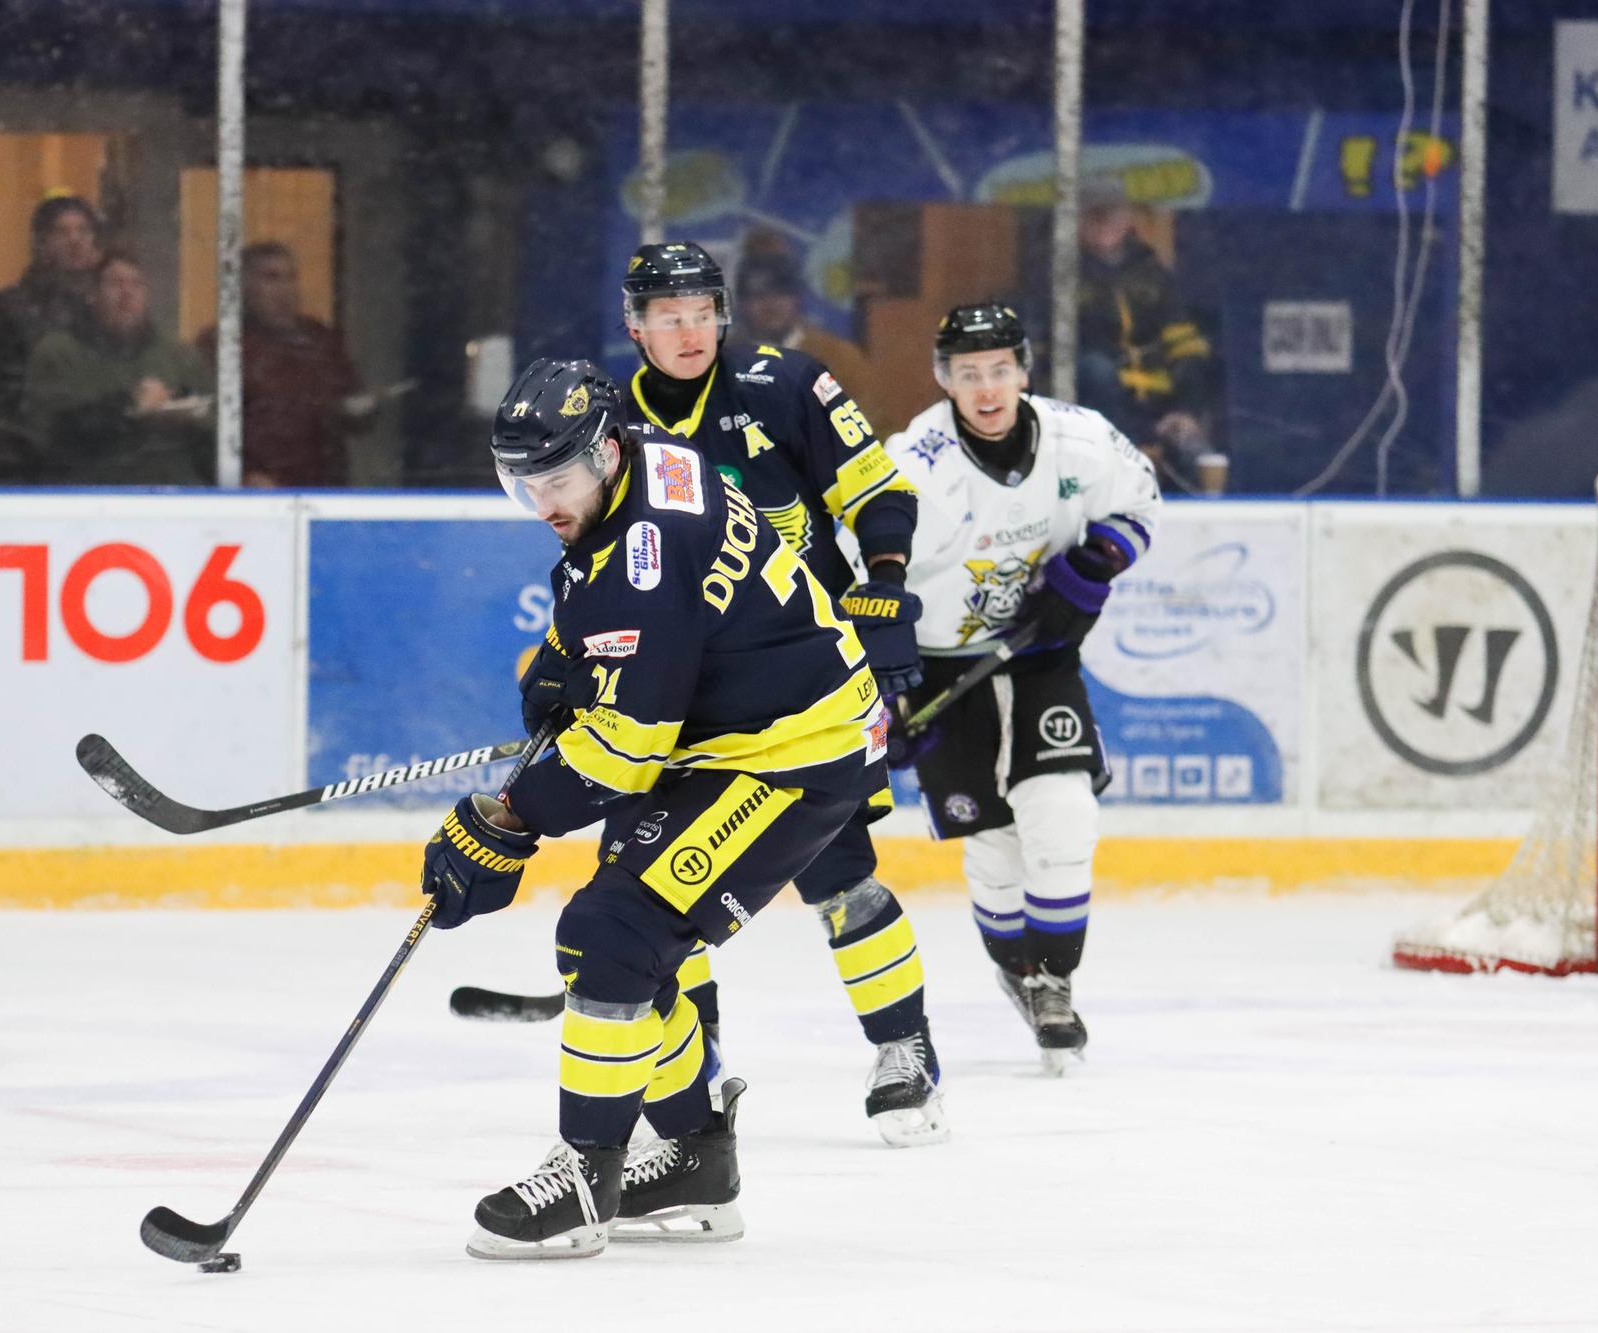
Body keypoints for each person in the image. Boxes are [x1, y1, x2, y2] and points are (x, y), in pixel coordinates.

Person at [422, 358, 891, 1259]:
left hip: (788, 755)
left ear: (603, 453)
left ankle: (586, 1177)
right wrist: (570, 653)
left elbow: (627, 749)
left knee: (612, 932)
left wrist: (506, 820)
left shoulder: (645, 551)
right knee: (619, 943)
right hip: (726, 733)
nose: (543, 502)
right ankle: (694, 1161)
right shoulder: (651, 456)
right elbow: (630, 609)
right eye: (524, 484)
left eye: (556, 479)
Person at [616, 241, 945, 1145]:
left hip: (804, 685)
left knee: (840, 878)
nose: (690, 332)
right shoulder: (612, 427)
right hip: (682, 697)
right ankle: (695, 1075)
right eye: (669, 317)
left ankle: (906, 1049)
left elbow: (876, 492)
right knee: (652, 892)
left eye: (702, 313)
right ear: (636, 328)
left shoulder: (785, 386)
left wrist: (884, 582)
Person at [881, 302, 1161, 1071]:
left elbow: (1140, 504)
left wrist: (1094, 564)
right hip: (940, 665)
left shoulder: (1081, 440)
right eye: (968, 373)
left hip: (1040, 654)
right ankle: (1018, 969)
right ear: (944, 380)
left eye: (1000, 369)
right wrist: (880, 686)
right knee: (994, 844)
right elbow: (861, 575)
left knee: (1064, 811)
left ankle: (1055, 980)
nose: (987, 388)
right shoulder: (913, 468)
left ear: (1025, 371)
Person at [21, 251, 214, 485]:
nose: (127, 293)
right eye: (115, 283)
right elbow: (48, 438)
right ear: (93, 293)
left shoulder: (179, 354)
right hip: (93, 489)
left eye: (136, 284)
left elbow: (214, 427)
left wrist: (186, 418)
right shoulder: (58, 353)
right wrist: (127, 406)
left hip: (173, 489)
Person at [194, 242, 375, 487]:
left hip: (322, 486)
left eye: (291, 278)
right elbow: (203, 428)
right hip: (259, 490)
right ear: (244, 287)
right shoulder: (222, 343)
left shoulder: (319, 339)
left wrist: (363, 408)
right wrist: (244, 473)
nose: (285, 290)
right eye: (272, 278)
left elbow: (352, 408)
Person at [1075, 187, 1217, 493]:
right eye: (1093, 214)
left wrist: (1186, 411)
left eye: (1111, 213)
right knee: (1095, 369)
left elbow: (1187, 346)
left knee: (1194, 457)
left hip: (1157, 408)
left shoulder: (1153, 273)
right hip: (1097, 413)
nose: (1103, 222)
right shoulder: (1060, 275)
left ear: (1129, 218)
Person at [0, 192, 102, 485]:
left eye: (83, 231)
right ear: (41, 242)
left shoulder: (106, 309)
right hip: (28, 469)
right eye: (62, 232)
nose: (75, 240)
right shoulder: (8, 310)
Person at [731, 248, 878, 415]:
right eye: (757, 295)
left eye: (781, 293)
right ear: (741, 305)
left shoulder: (839, 357)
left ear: (798, 299)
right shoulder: (723, 359)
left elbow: (871, 420)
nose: (770, 304)